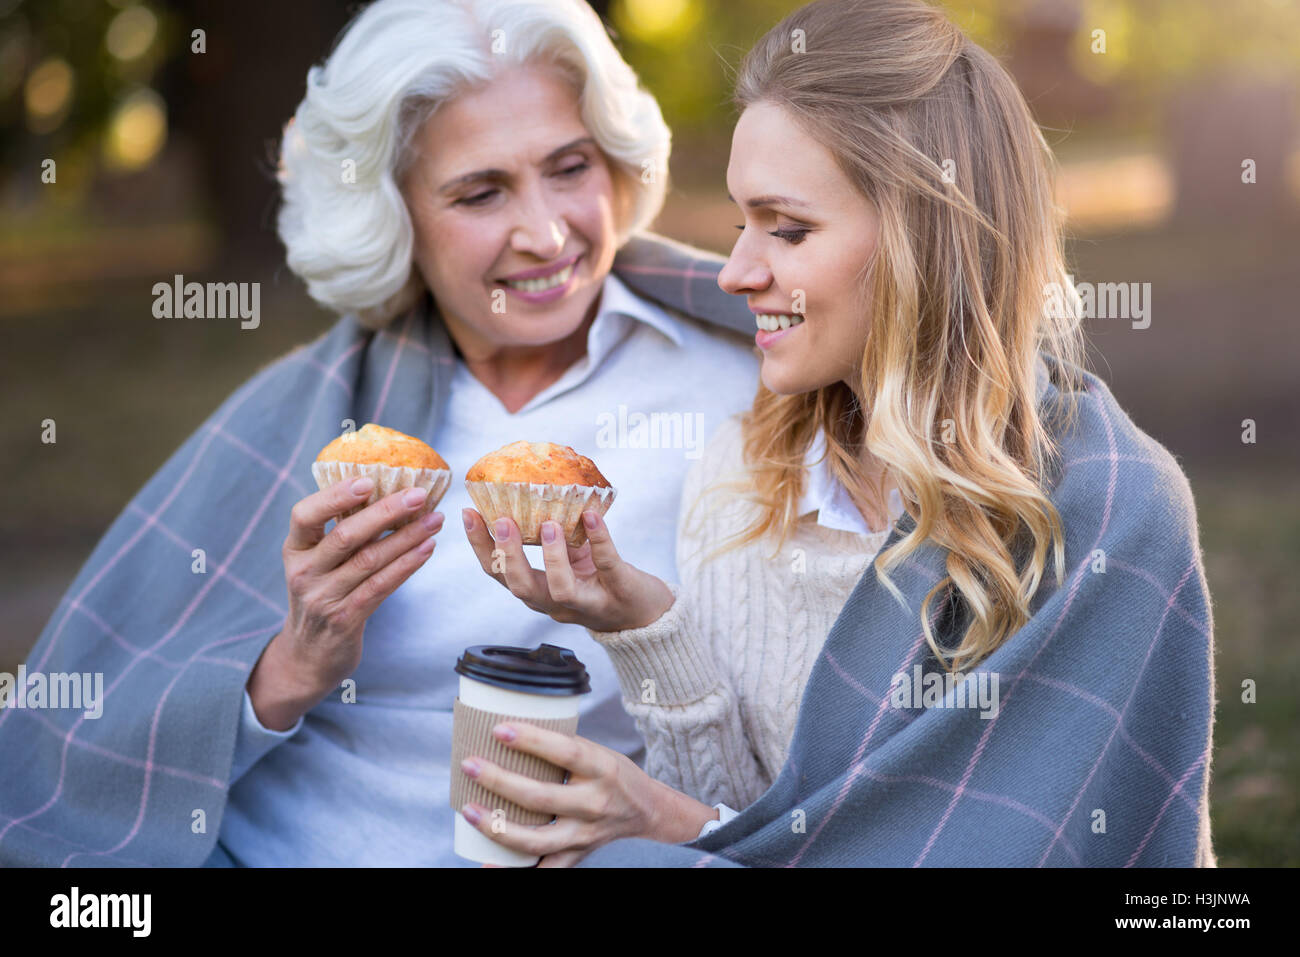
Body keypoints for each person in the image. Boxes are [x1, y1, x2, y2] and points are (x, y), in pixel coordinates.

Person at [0, 0, 759, 867]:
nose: (546, 233)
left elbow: (792, 759)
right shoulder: (310, 419)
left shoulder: (747, 389)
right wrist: (293, 666)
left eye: (569, 166)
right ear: (392, 216)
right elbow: (88, 736)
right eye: (480, 191)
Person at [460, 0, 1217, 867]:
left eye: (787, 229)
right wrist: (641, 620)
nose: (739, 270)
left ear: (925, 238)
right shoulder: (746, 479)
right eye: (743, 223)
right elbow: (756, 830)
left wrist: (657, 826)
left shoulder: (1119, 512)